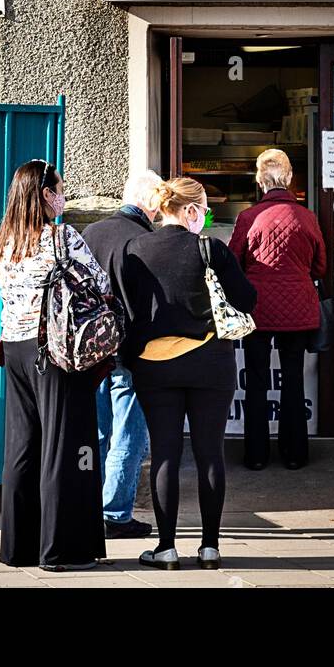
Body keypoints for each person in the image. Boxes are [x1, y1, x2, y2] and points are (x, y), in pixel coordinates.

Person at [118, 177, 257, 570]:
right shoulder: (209, 248)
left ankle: (165, 548)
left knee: (165, 453)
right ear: (192, 211)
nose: (206, 217)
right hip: (210, 363)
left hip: (154, 366)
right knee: (209, 451)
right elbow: (247, 299)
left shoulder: (135, 250)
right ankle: (210, 548)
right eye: (206, 210)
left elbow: (128, 312)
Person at [0, 159, 107, 571]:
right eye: (60, 188)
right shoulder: (62, 237)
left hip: (15, 348)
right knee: (63, 446)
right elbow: (99, 283)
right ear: (44, 194)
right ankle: (61, 551)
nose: (64, 195)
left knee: (21, 447)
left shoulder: (3, 241)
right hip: (54, 350)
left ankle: (17, 548)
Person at [229, 149, 326, 471]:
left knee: (256, 380)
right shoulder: (307, 217)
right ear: (288, 178)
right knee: (293, 378)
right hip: (298, 307)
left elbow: (233, 263)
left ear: (260, 180)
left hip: (257, 309)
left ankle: (256, 455)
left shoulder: (248, 217)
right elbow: (321, 266)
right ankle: (295, 454)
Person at [80, 169, 163, 539]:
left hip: (89, 352)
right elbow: (147, 308)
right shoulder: (145, 240)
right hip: (128, 355)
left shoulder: (90, 233)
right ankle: (114, 514)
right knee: (128, 435)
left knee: (97, 433)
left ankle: (85, 507)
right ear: (150, 202)